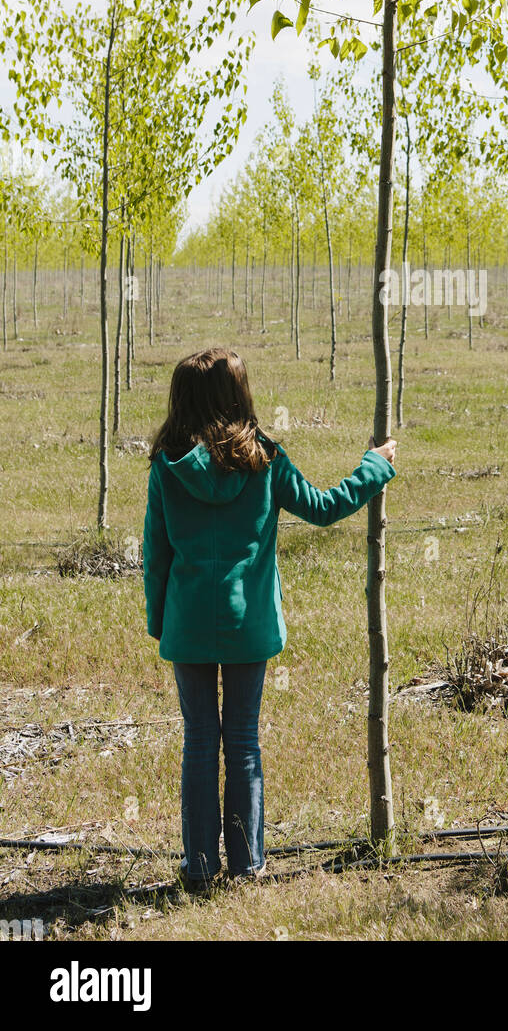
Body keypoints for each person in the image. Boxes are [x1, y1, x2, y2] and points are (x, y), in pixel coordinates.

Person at [142, 346, 396, 891]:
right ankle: (247, 862)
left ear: (181, 400)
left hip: (188, 626)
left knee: (199, 742)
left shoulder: (166, 466)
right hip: (247, 626)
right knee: (243, 739)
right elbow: (325, 507)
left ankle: (200, 867)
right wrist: (375, 465)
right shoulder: (265, 460)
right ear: (240, 396)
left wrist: (160, 621)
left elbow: (155, 553)